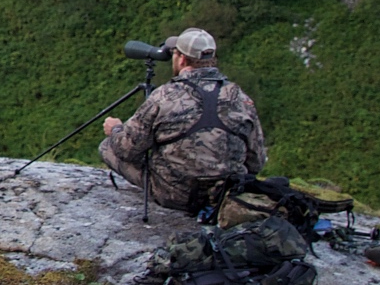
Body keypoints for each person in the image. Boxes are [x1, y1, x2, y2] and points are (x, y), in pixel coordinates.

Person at [99, 28, 267, 213]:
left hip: (174, 196)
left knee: (107, 147)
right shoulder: (240, 97)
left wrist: (116, 129)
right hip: (225, 195)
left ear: (181, 59)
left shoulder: (163, 96)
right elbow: (256, 161)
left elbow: (126, 150)